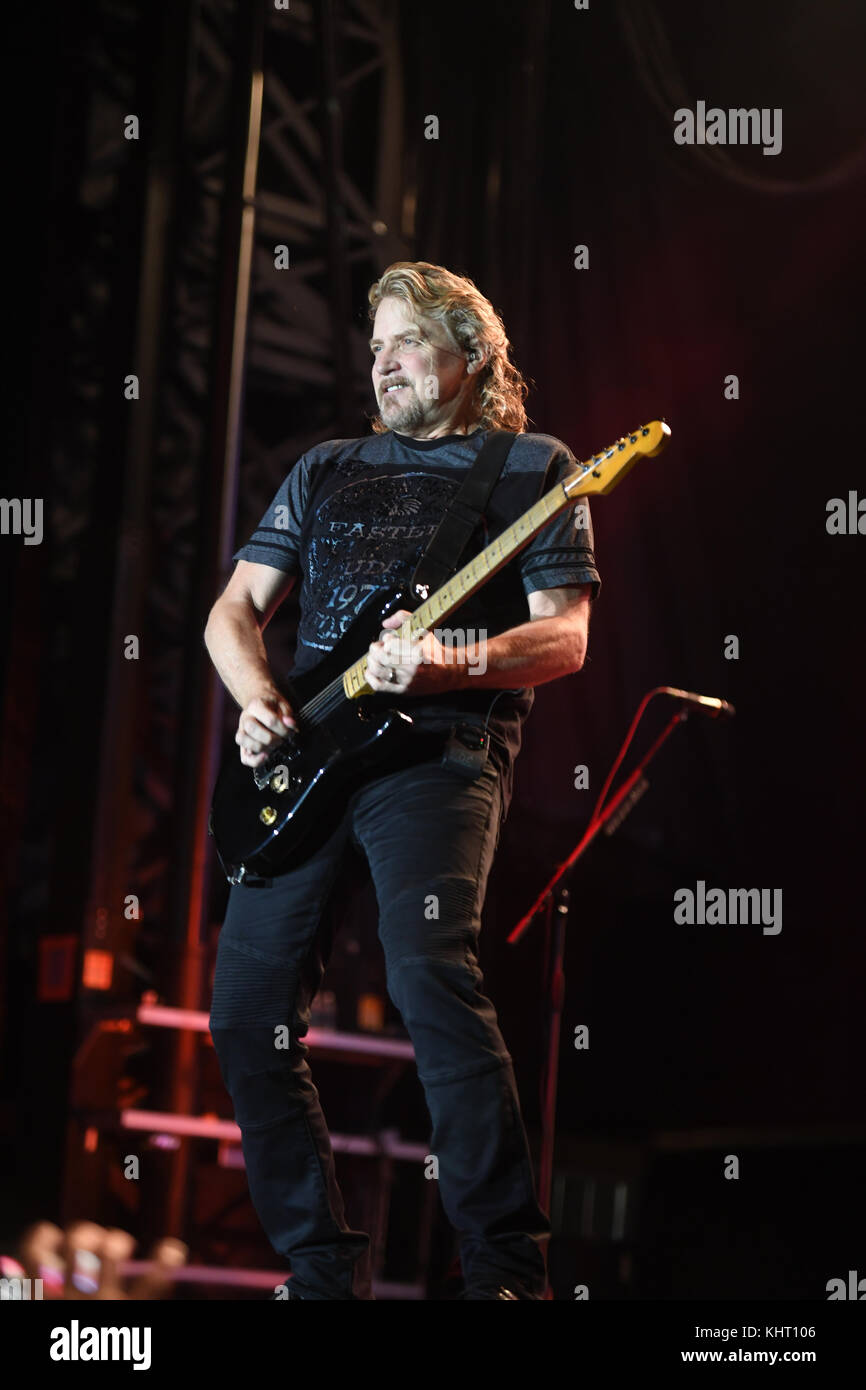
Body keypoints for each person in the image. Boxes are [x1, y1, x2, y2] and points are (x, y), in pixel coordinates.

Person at [204, 261, 601, 1300]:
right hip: (307, 760)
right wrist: (255, 700)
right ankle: (320, 1272)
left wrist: (447, 661)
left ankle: (504, 1269)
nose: (381, 363)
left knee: (426, 971)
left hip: (433, 752)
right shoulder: (325, 466)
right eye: (373, 345)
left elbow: (564, 637)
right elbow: (231, 612)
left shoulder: (532, 467)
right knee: (246, 1009)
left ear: (468, 355)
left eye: (406, 342)